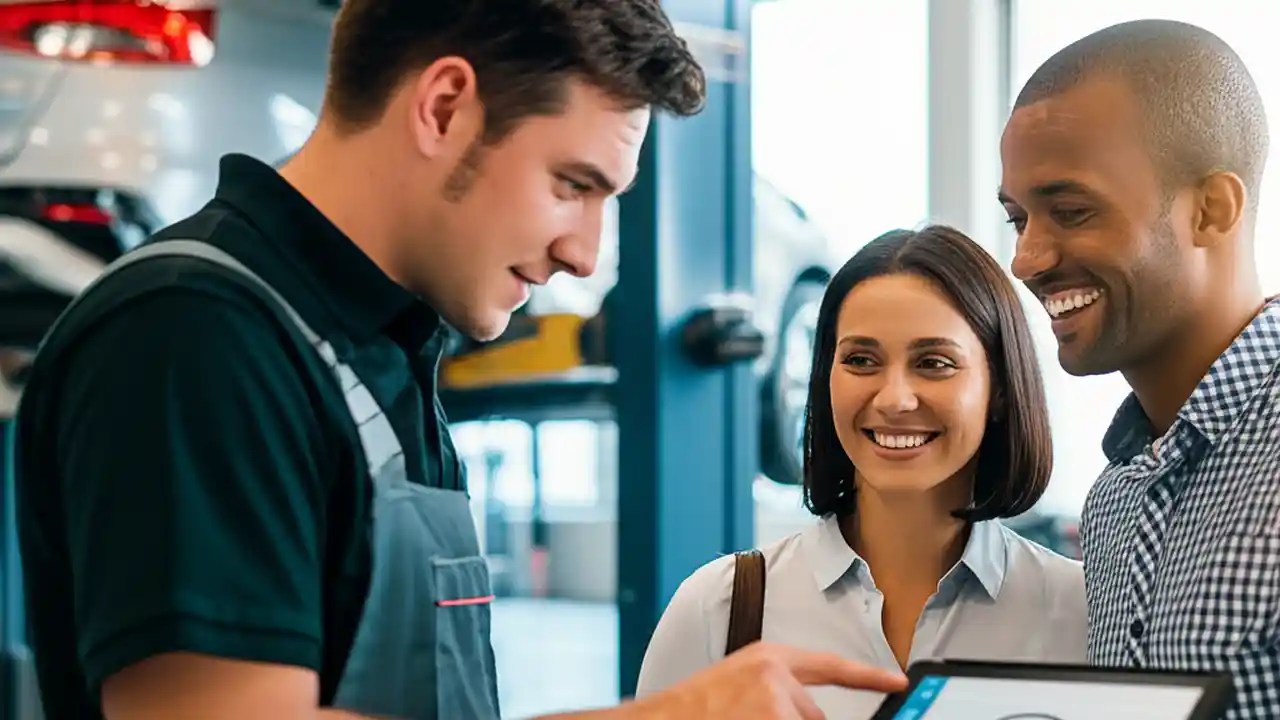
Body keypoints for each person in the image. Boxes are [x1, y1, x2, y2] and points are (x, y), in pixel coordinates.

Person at [10, 1, 905, 719]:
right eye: (573, 185)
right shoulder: (198, 337)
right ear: (443, 107)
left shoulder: (378, 347)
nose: (586, 256)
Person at [633, 226, 1087, 718]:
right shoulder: (719, 607)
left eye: (933, 363)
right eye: (860, 360)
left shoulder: (1079, 609)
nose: (893, 398)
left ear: (999, 388)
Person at [998, 18, 1278, 719]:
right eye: (1018, 220)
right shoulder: (1115, 501)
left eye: (1069, 210)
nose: (1025, 261)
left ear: (1212, 209)